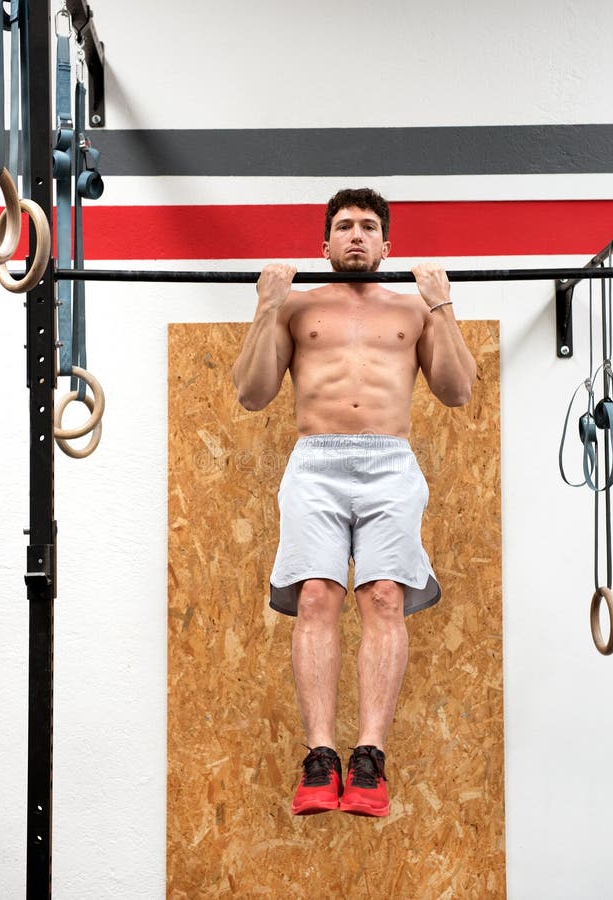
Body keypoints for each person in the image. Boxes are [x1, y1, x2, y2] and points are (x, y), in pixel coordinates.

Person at [232, 188, 476, 818]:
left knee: (384, 598)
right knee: (316, 595)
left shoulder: (412, 308)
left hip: (390, 462)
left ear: (387, 245)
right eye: (345, 227)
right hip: (316, 462)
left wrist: (442, 304)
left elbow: (455, 392)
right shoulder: (298, 306)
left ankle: (368, 760)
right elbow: (253, 395)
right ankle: (320, 759)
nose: (357, 236)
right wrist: (265, 306)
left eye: (370, 227)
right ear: (326, 245)